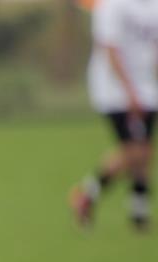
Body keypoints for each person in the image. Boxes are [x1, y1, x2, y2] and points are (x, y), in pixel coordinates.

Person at [68, 0, 158, 231]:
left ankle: (138, 213)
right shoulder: (112, 6)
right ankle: (88, 195)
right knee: (134, 150)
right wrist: (130, 93)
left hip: (147, 89)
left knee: (144, 151)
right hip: (114, 92)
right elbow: (110, 49)